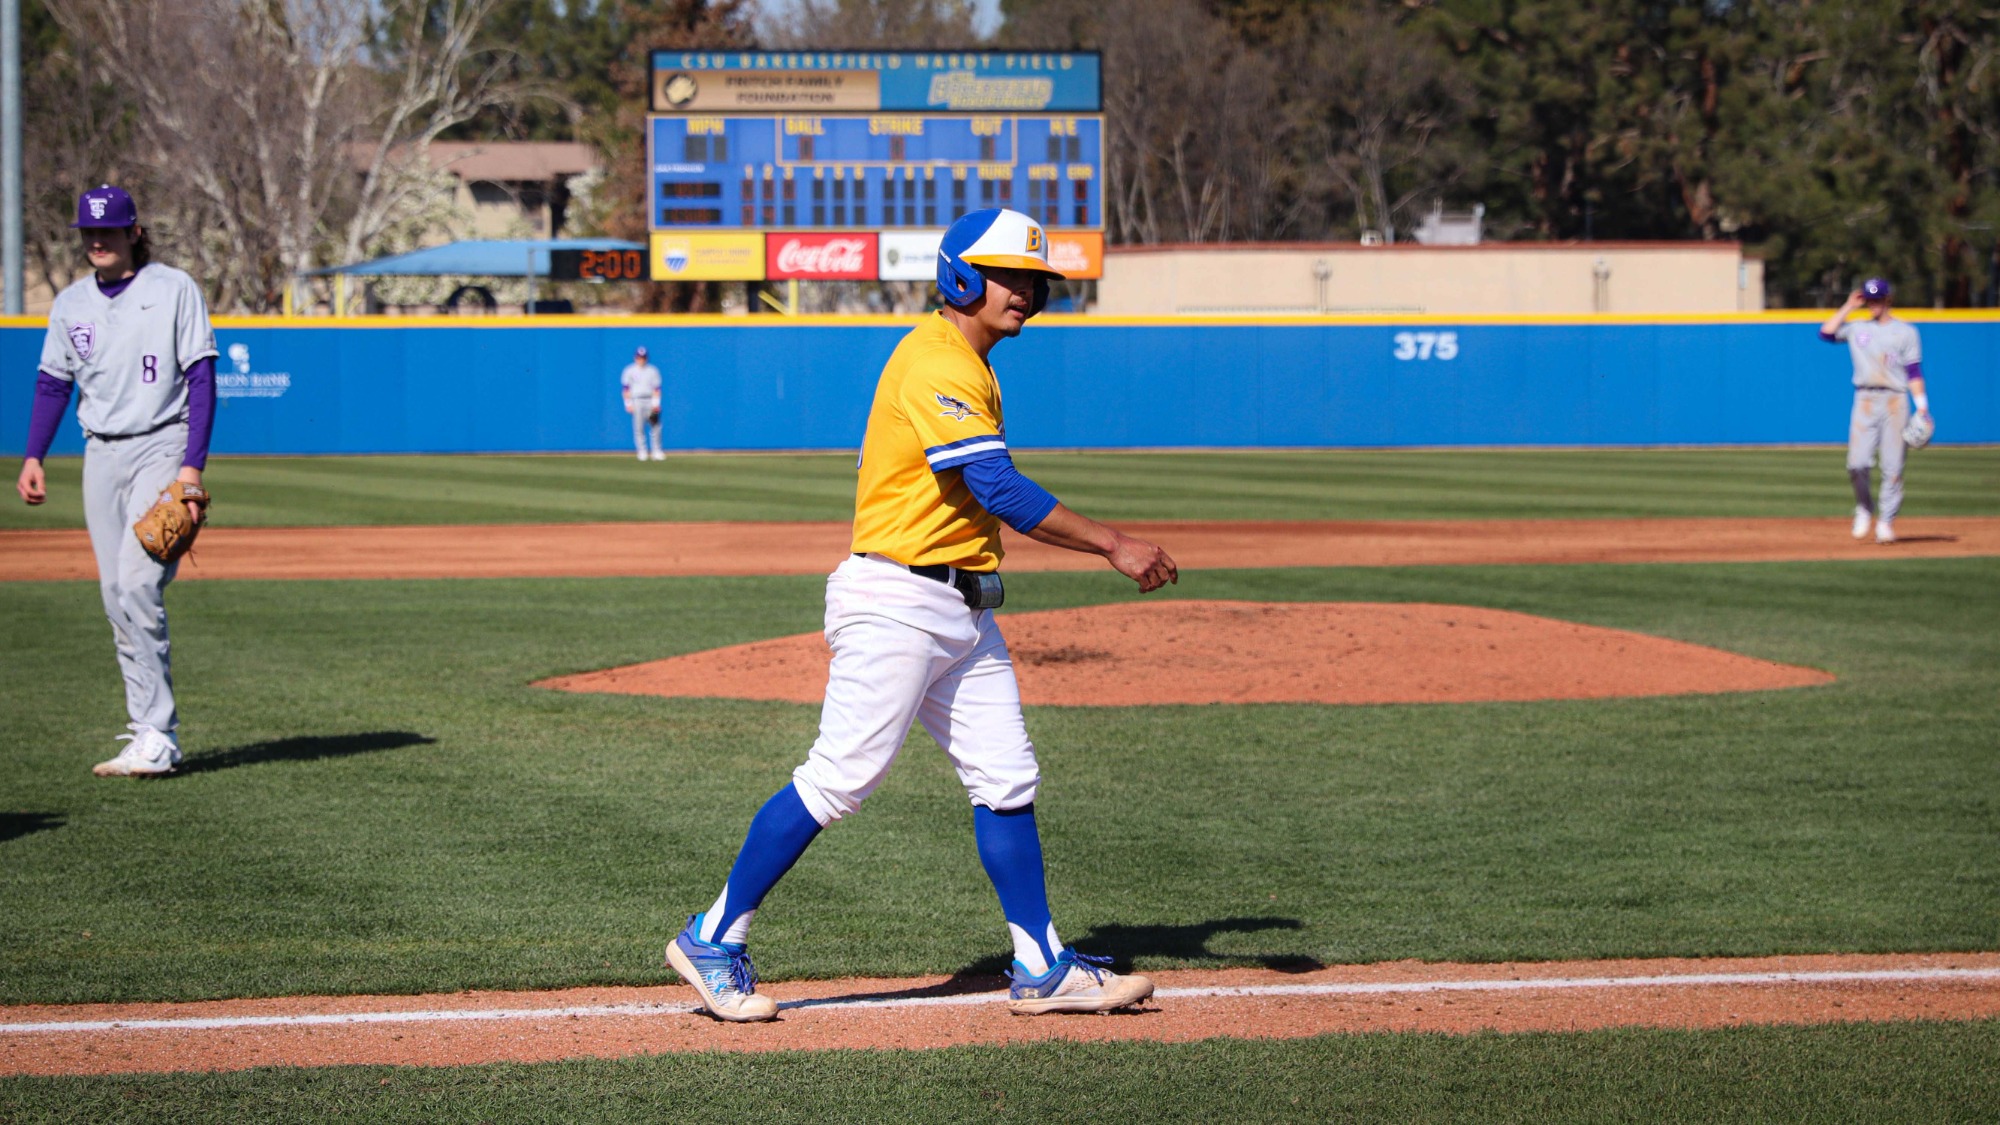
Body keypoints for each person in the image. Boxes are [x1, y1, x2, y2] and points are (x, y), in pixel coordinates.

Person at [664, 208, 1178, 1022]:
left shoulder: (967, 362)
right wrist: (1113, 543)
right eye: (1009, 274)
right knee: (839, 778)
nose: (1027, 290)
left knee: (1006, 777)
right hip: (898, 601)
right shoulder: (936, 358)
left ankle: (1041, 964)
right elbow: (1000, 491)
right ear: (961, 277)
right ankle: (712, 936)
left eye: (1033, 278)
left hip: (962, 604)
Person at [15, 185, 218, 776]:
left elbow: (202, 378)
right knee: (114, 596)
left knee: (136, 583)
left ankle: (159, 731)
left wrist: (191, 468)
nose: (97, 240)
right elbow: (54, 384)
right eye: (88, 232)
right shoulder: (71, 304)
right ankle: (144, 731)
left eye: (108, 230)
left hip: (162, 443)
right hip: (99, 454)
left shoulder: (173, 288)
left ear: (134, 231)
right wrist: (34, 456)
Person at [1819, 277, 1930, 544]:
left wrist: (1923, 408)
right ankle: (1864, 507)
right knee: (1857, 464)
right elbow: (1825, 333)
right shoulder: (1857, 328)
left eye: (1878, 299)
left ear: (1888, 300)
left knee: (1893, 467)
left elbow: (1914, 372)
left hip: (1895, 400)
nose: (1874, 304)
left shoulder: (1906, 332)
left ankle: (1886, 522)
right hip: (1865, 399)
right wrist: (1848, 306)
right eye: (1870, 300)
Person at [621, 345, 663, 461]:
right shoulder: (629, 370)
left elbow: (657, 389)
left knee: (655, 426)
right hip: (637, 400)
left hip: (649, 400)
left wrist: (656, 403)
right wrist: (628, 403)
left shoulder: (652, 370)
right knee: (638, 428)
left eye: (643, 357)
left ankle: (656, 451)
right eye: (639, 357)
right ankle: (642, 451)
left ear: (646, 358)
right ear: (635, 357)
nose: (641, 360)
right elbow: (625, 389)